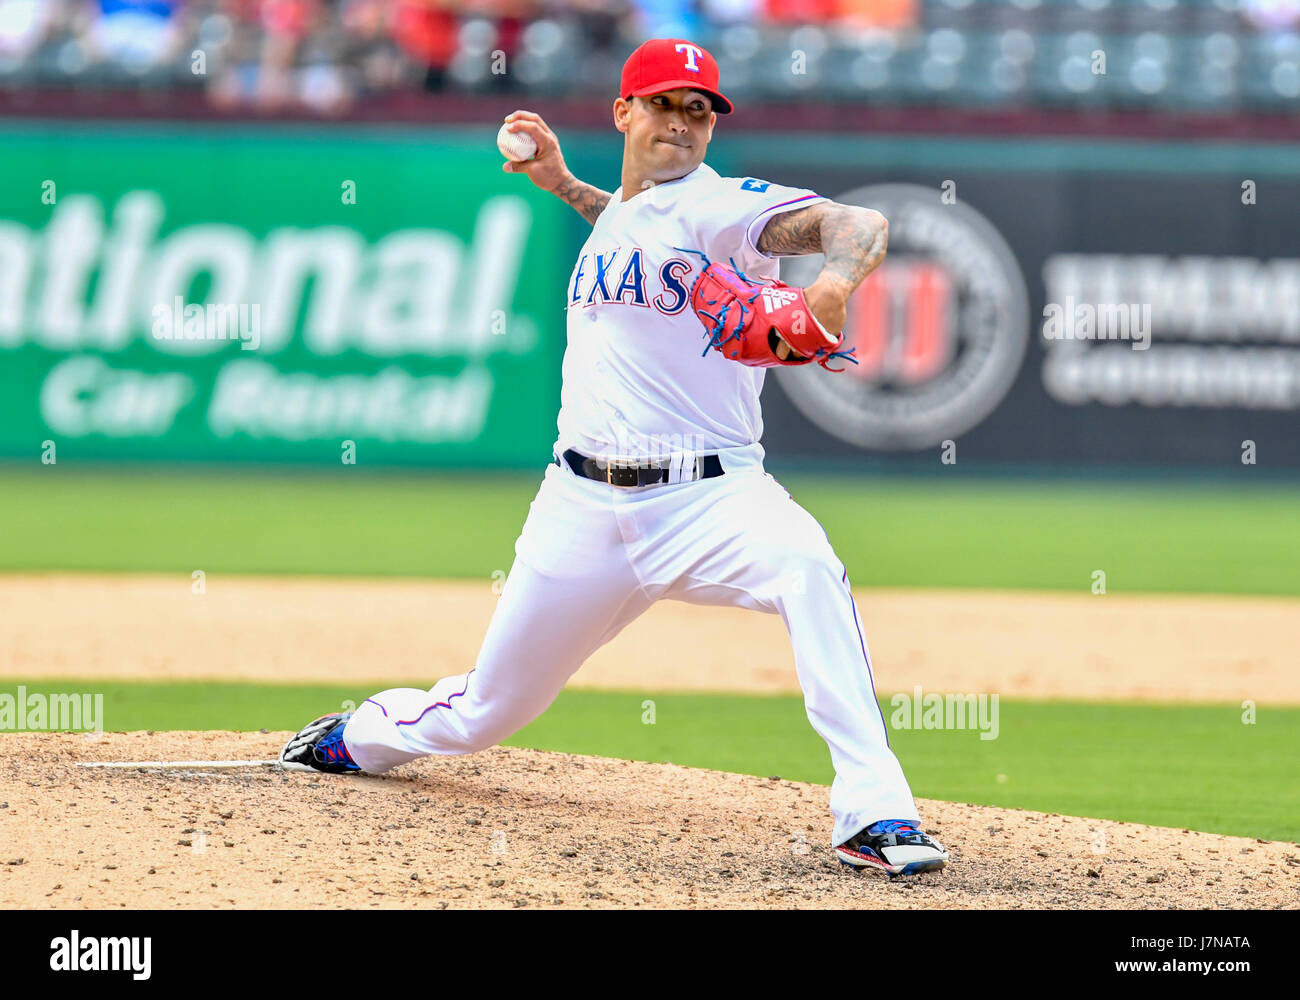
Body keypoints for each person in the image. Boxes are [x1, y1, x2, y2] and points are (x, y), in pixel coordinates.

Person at [282, 37, 949, 878]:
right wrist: (562, 185)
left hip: (712, 496)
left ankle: (875, 813)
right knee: (487, 710)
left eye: (699, 108)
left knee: (808, 568)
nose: (683, 121)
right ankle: (357, 736)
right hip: (581, 508)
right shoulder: (635, 213)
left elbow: (857, 224)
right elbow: (632, 225)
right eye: (666, 103)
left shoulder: (724, 205)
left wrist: (830, 287)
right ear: (624, 112)